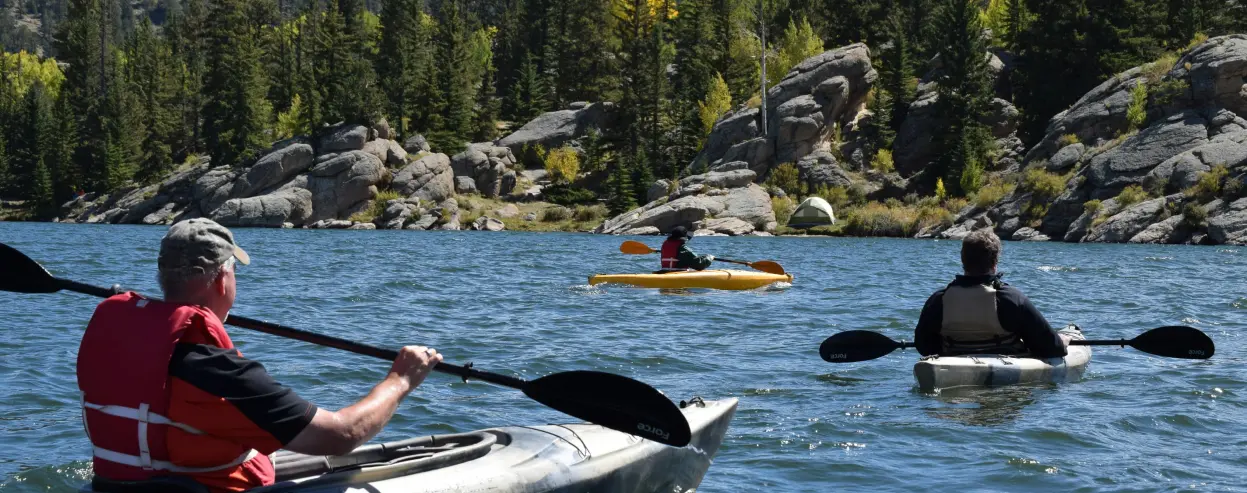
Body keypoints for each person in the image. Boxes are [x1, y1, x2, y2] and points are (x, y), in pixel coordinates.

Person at [77, 218, 444, 493]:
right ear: (222, 279)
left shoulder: (116, 346)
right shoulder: (217, 369)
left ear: (163, 277)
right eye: (234, 273)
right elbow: (340, 435)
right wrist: (401, 380)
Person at [913, 229, 1068, 358]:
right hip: (1006, 376)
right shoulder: (1011, 299)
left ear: (963, 261)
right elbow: (1052, 349)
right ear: (994, 263)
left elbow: (923, 346)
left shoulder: (939, 299)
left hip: (955, 369)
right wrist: (1062, 341)